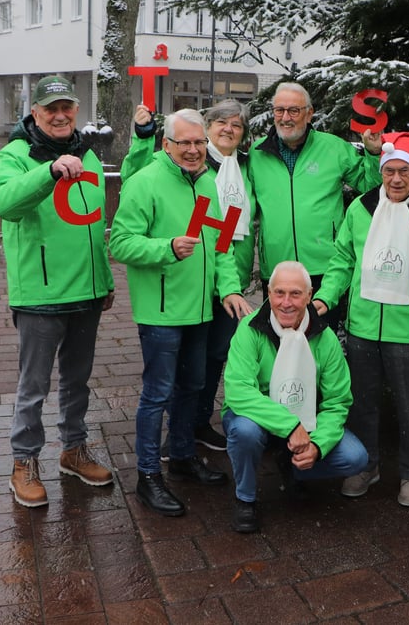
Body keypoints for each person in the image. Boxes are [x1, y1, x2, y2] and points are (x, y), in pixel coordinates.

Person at [110, 108, 253, 517]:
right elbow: (119, 243)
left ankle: (183, 456)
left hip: (201, 310)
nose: (193, 150)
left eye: (198, 142)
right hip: (161, 312)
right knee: (157, 394)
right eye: (184, 142)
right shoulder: (144, 182)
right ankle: (148, 475)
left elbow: (222, 246)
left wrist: (229, 288)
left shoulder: (209, 182)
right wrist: (166, 248)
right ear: (166, 144)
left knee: (193, 386)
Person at [0, 75, 115, 508]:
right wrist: (49, 170)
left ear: (75, 110)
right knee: (34, 386)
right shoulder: (16, 154)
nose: (60, 116)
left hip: (86, 292)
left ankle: (73, 450)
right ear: (35, 112)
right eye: (51, 109)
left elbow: (92, 225)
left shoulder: (87, 154)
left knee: (77, 382)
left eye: (67, 108)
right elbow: (2, 203)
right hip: (40, 295)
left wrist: (104, 280)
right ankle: (24, 461)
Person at [313, 132, 409, 507]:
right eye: (389, 171)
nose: (395, 179)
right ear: (381, 172)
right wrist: (326, 296)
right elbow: (343, 260)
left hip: (407, 330)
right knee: (363, 402)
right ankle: (367, 466)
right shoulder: (360, 208)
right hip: (362, 325)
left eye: (404, 171)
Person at [222, 261, 369, 533]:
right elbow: (238, 391)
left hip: (307, 418)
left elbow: (337, 402)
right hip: (259, 417)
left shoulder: (325, 338)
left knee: (356, 457)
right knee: (244, 431)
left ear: (309, 295)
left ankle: (294, 467)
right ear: (268, 293)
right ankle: (246, 498)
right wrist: (290, 425)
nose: (286, 302)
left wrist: (318, 446)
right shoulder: (249, 329)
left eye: (295, 294)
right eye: (279, 293)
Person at [247, 82, 383, 326]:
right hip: (278, 270)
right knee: (278, 342)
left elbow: (369, 185)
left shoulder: (333, 148)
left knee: (319, 340)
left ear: (309, 114)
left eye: (293, 110)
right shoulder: (257, 153)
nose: (285, 118)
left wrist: (373, 154)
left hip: (324, 268)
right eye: (279, 110)